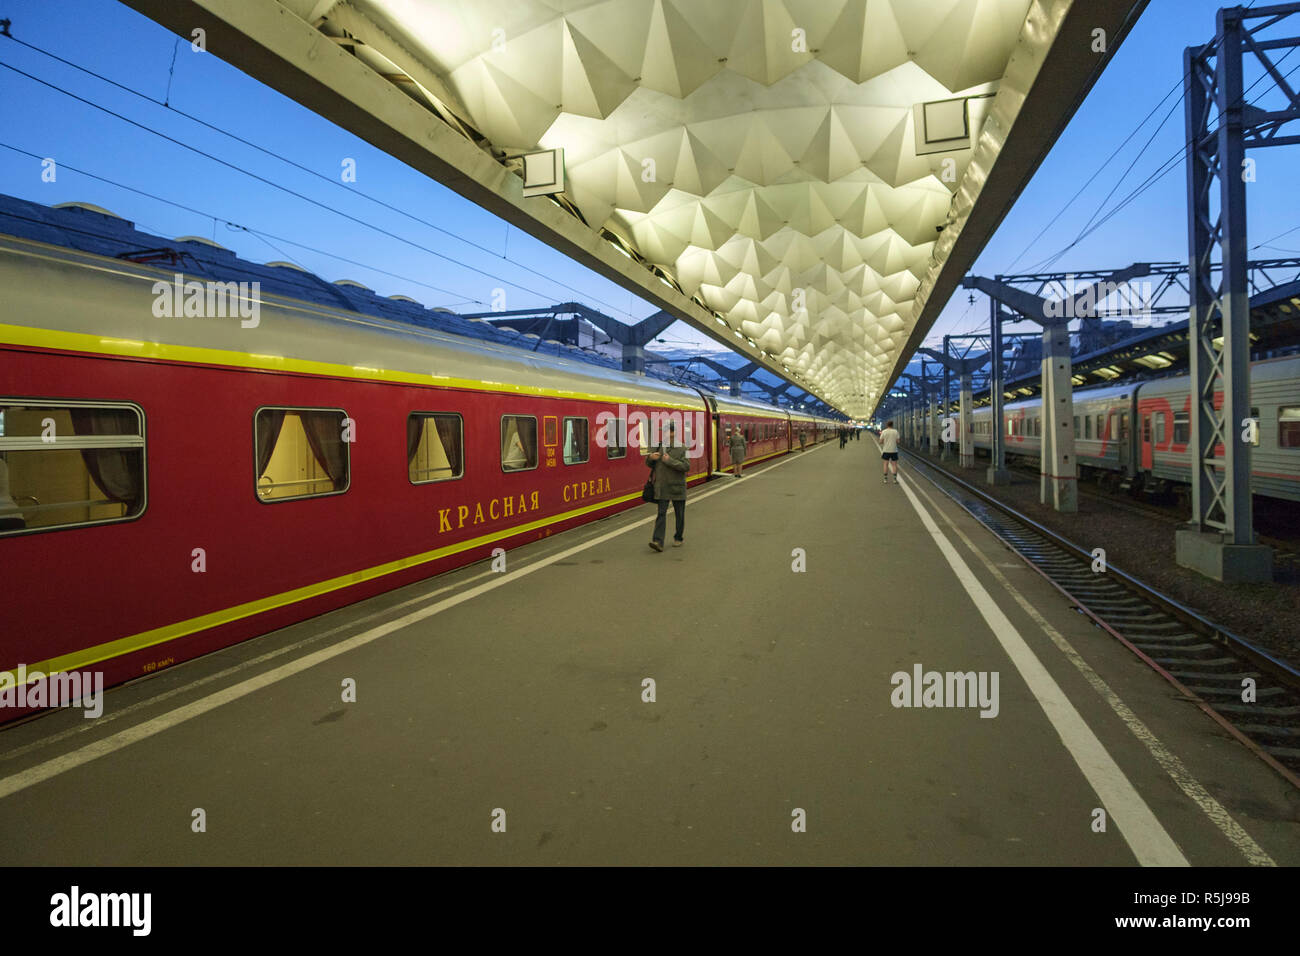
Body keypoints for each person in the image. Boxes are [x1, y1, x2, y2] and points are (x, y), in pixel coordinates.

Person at [646, 421, 689, 551]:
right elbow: (649, 464)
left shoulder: (683, 448)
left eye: (667, 431)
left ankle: (678, 537)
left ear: (673, 432)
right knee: (661, 514)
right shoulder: (659, 446)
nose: (664, 434)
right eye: (663, 431)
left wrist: (670, 461)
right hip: (662, 486)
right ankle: (658, 541)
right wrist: (650, 458)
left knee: (679, 514)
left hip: (677, 487)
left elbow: (686, 466)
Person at [879, 419, 900, 483]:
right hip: (894, 450)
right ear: (892, 425)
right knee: (894, 465)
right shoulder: (895, 431)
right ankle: (894, 479)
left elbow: (880, 441)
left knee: (885, 464)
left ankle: (885, 479)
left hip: (886, 450)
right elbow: (898, 441)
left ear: (887, 425)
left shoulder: (884, 432)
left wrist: (885, 441)